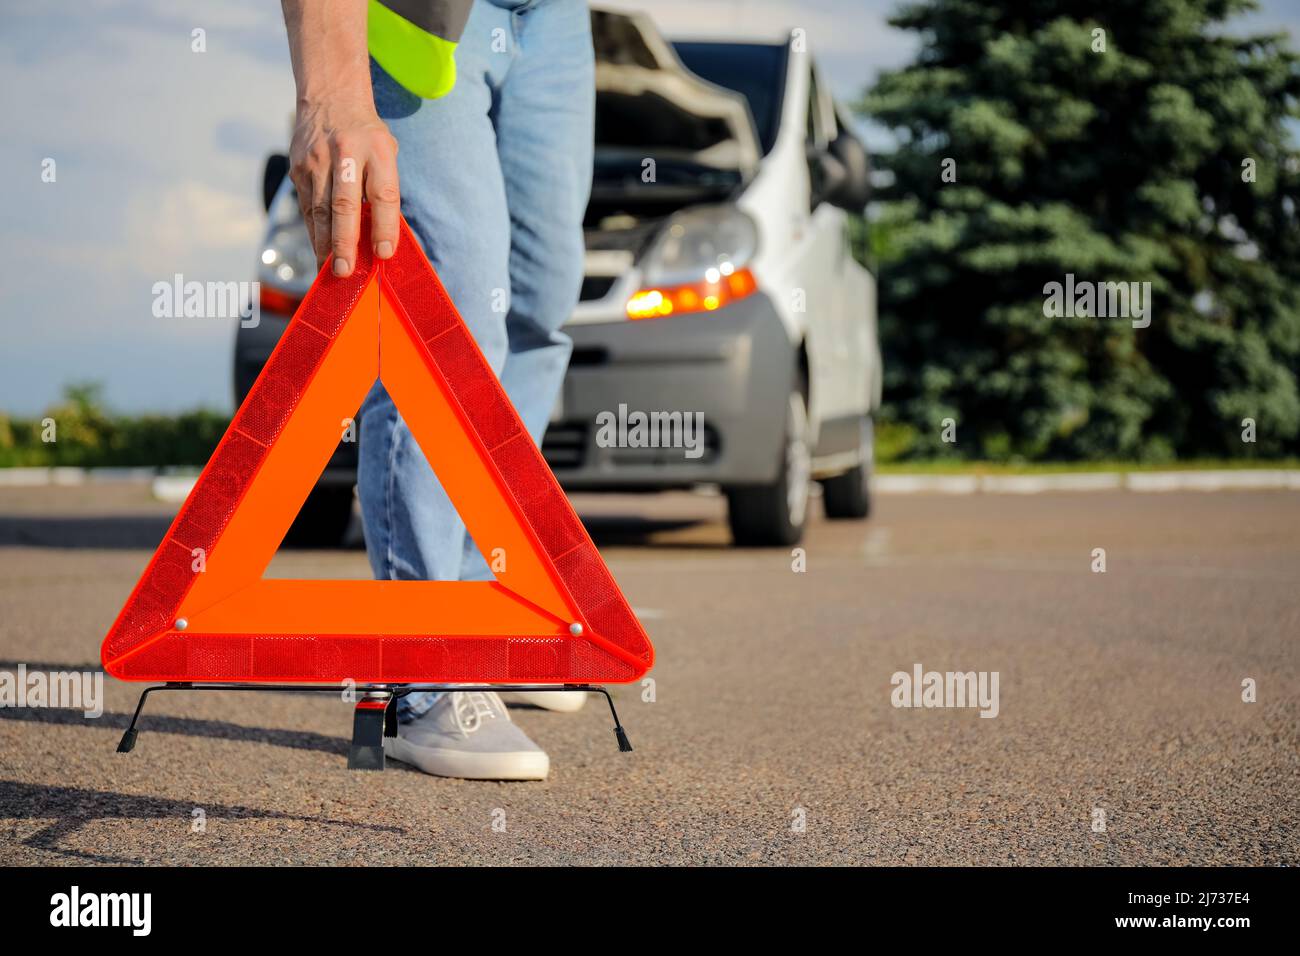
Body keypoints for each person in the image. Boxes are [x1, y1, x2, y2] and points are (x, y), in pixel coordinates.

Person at [281, 0, 594, 780]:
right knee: (450, 321)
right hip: (412, 16)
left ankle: (488, 613)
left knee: (539, 306)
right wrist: (331, 93)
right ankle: (426, 670)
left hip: (553, 19)